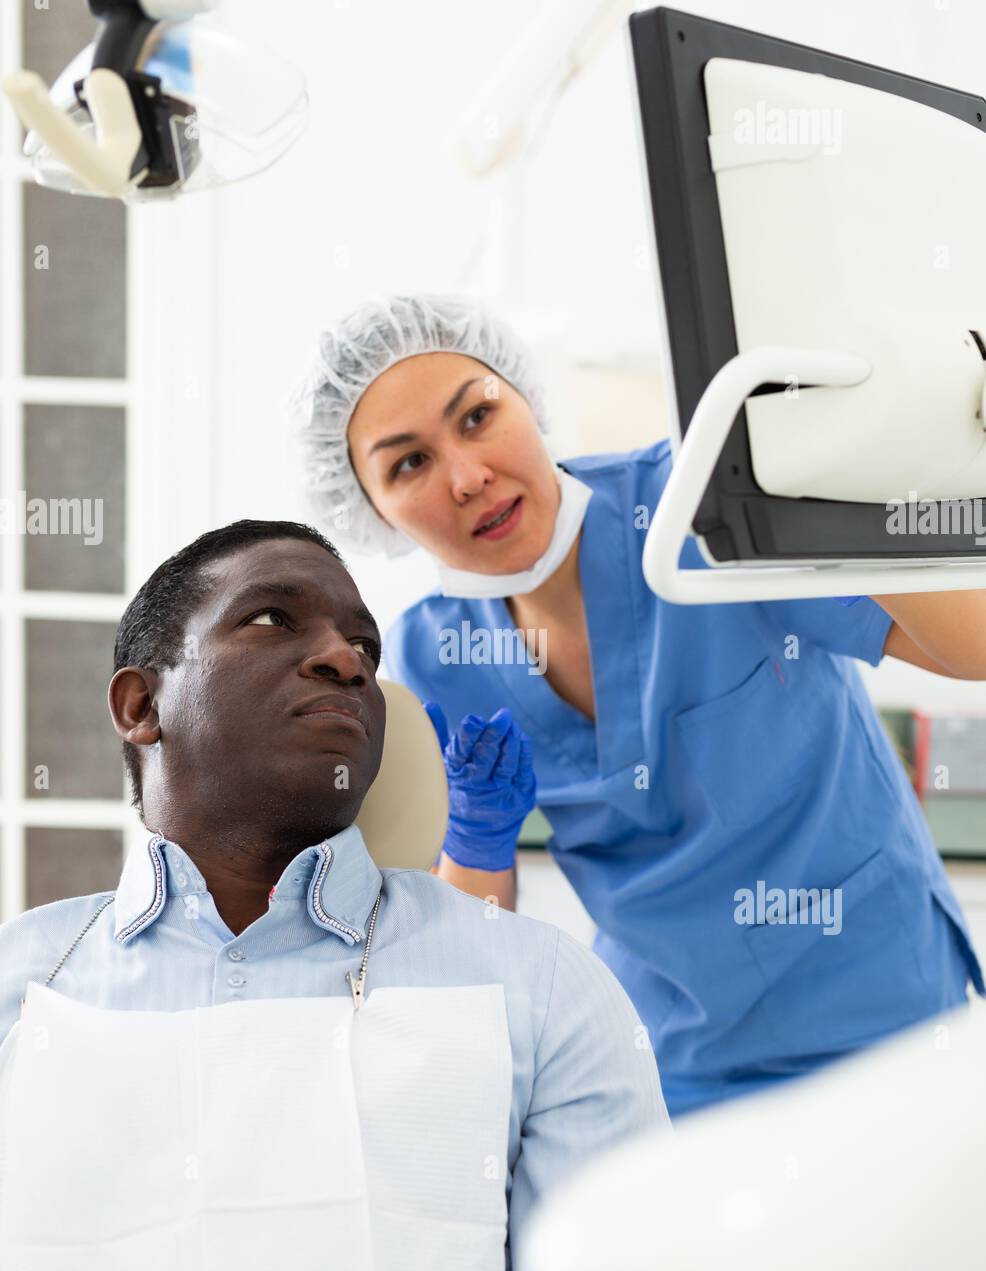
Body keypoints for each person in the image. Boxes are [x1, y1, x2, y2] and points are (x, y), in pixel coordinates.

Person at [290, 291, 986, 1120]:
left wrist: (831, 483)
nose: (468, 477)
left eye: (477, 416)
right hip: (670, 1050)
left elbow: (971, 647)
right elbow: (478, 926)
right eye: (408, 464)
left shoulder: (705, 509)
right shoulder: (436, 655)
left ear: (524, 396)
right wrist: (477, 837)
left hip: (879, 1004)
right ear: (372, 512)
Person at [0, 519, 668, 1271]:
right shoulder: (23, 983)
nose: (347, 660)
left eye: (366, 647)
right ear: (142, 704)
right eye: (271, 619)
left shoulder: (540, 988)